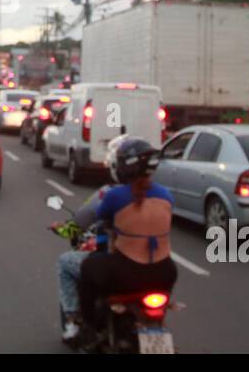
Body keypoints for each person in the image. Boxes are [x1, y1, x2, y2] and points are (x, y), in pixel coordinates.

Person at [76, 136, 177, 345]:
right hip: (165, 273)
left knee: (87, 268)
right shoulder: (166, 195)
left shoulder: (115, 196)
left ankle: (89, 327)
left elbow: (100, 216)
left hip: (126, 273)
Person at [52, 186, 110, 344]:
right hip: (158, 268)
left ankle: (73, 321)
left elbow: (75, 226)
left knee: (66, 261)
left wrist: (63, 229)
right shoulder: (161, 197)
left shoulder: (110, 195)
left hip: (120, 264)